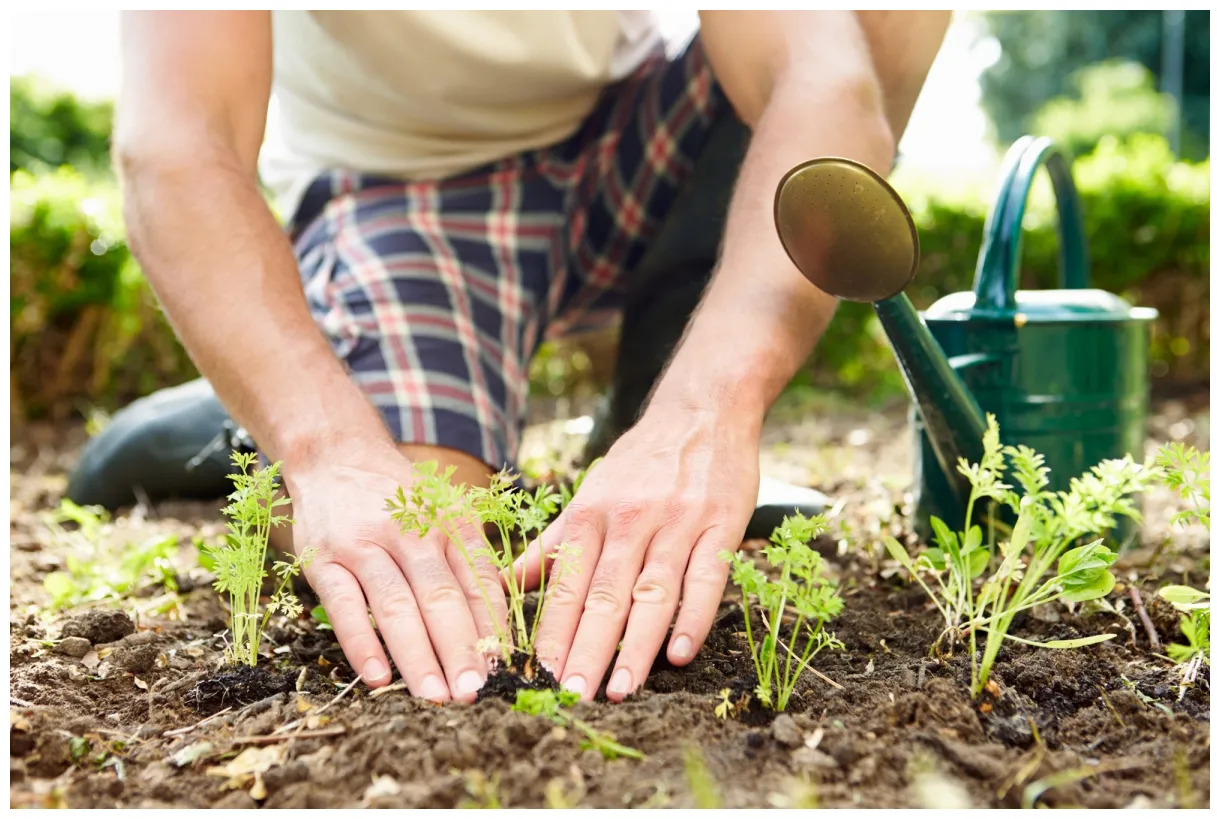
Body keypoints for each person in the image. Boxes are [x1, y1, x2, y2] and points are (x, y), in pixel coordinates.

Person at [96, 10, 948, 706]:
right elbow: (177, 145)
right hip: (411, 187)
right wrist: (326, 449)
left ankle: (648, 408)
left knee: (881, 19)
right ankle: (272, 392)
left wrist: (709, 406)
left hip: (635, 139)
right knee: (429, 537)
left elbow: (823, 81)